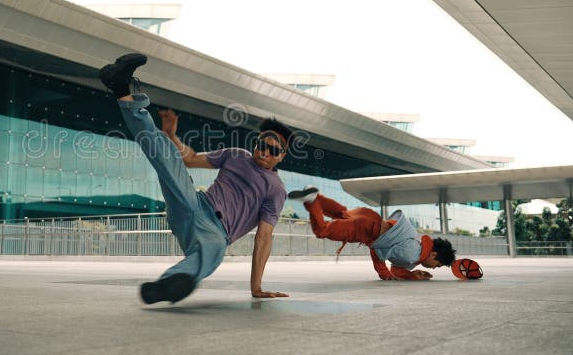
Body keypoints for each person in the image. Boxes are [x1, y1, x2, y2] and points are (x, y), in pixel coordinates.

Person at [99, 53, 294, 303]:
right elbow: (189, 159)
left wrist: (256, 287)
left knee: (212, 252)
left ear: (281, 156)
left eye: (273, 150)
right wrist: (173, 135)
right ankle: (120, 88)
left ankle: (165, 286)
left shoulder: (276, 189)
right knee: (165, 151)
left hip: (214, 231)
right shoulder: (235, 155)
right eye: (261, 145)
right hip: (194, 203)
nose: (264, 152)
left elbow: (264, 237)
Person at [288, 186, 456, 280]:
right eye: (438, 264)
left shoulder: (415, 248)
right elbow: (378, 249)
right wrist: (383, 272)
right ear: (433, 254)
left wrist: (412, 275)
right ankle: (312, 201)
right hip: (366, 229)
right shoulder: (413, 254)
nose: (435, 268)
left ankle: (317, 197)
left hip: (368, 217)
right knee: (323, 230)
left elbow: (396, 267)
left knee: (342, 213)